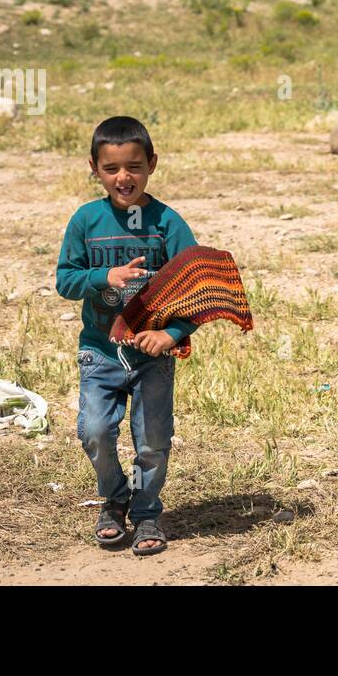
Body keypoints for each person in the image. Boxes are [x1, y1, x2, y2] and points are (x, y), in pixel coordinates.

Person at [56, 116, 198, 555]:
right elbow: (65, 280)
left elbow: (197, 290)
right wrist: (105, 277)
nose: (124, 177)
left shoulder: (168, 223)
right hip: (100, 352)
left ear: (152, 164)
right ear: (95, 169)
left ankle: (148, 511)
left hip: (152, 356)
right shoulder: (86, 220)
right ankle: (116, 497)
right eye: (112, 168)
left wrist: (172, 334)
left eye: (134, 166)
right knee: (95, 432)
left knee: (152, 441)